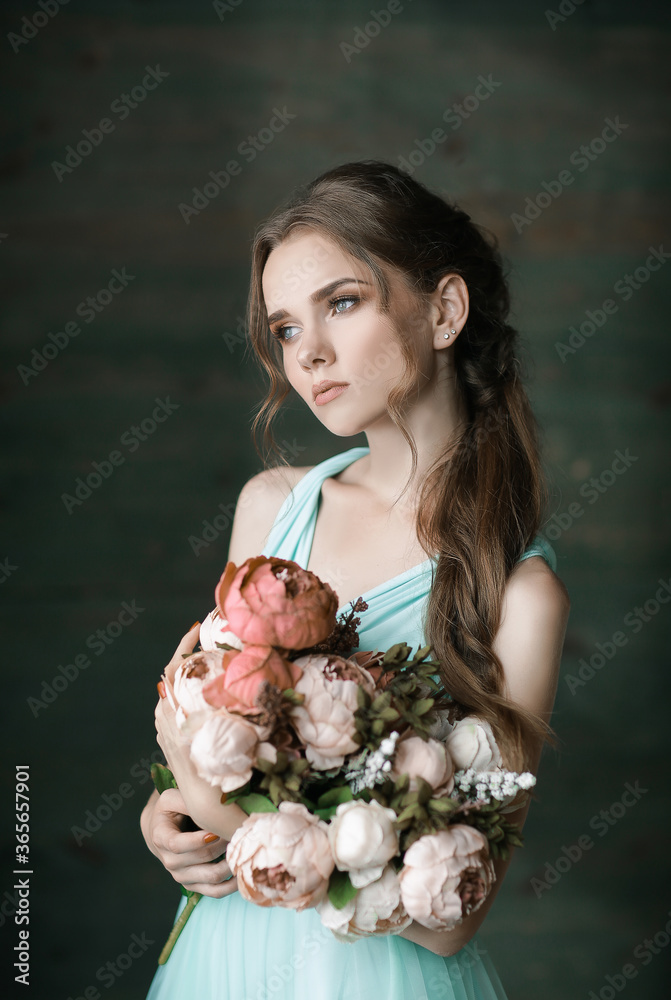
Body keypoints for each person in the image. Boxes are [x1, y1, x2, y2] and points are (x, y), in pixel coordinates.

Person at [141, 159, 571, 999]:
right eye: (287, 329)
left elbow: (452, 924)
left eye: (341, 303)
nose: (310, 354)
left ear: (444, 309)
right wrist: (176, 820)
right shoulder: (272, 512)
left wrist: (239, 823)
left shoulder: (517, 596)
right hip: (224, 964)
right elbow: (214, 743)